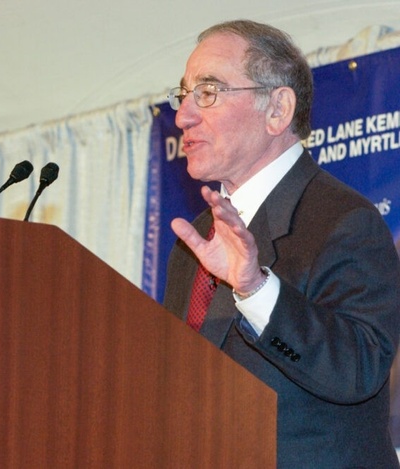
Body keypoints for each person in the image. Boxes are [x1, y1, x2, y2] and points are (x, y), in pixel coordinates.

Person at [163, 19, 400, 468]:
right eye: (184, 95)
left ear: (277, 109)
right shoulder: (194, 240)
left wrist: (255, 288)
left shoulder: (345, 221)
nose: (182, 116)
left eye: (208, 92)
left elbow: (360, 371)